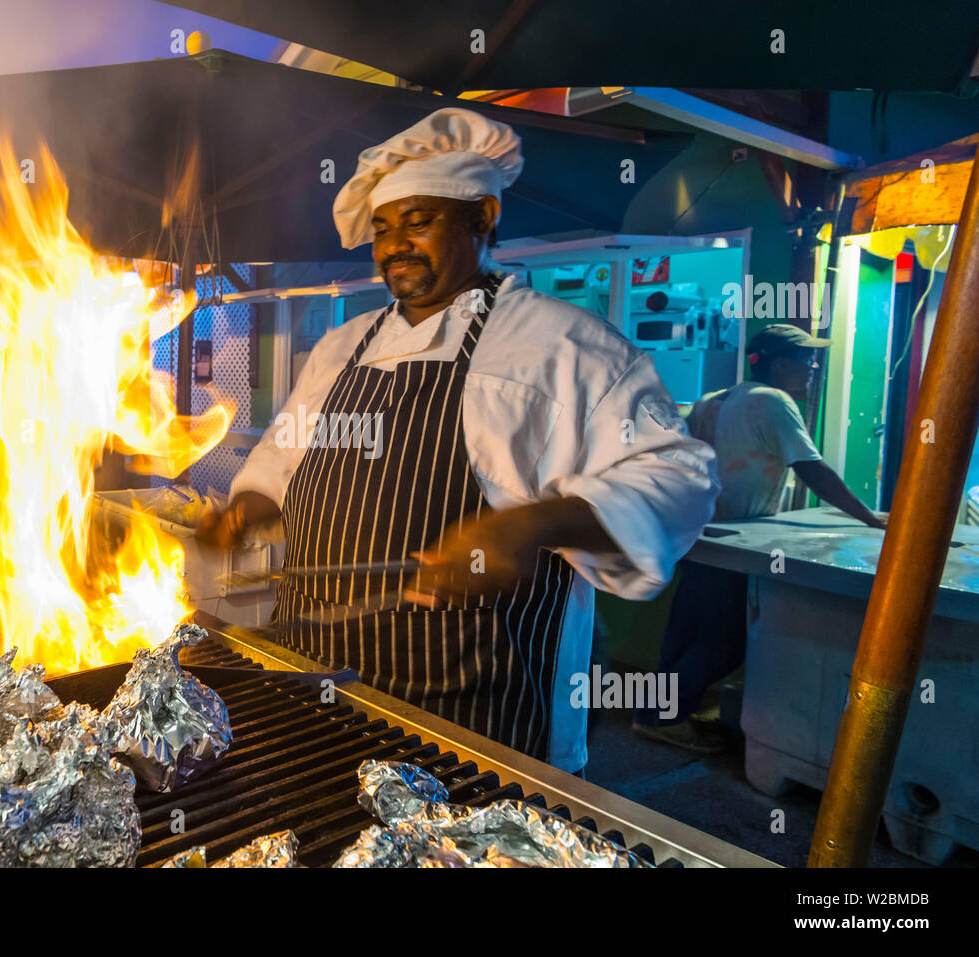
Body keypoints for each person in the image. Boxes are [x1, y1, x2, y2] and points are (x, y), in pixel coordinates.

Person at [198, 108, 718, 774]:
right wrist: (243, 513)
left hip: (472, 730)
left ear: (483, 216)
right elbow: (280, 465)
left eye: (420, 221)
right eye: (383, 229)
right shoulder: (339, 347)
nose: (394, 246)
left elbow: (681, 478)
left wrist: (531, 524)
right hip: (315, 698)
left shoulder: (561, 346)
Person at [632, 323, 886, 751]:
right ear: (780, 363)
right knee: (727, 640)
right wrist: (869, 518)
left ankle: (655, 714)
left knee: (687, 629)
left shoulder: (715, 399)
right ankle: (664, 717)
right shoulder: (773, 402)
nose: (813, 369)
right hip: (737, 541)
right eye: (806, 360)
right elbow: (810, 468)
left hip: (699, 533)